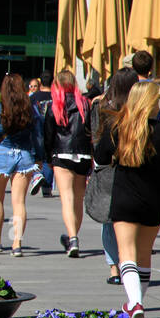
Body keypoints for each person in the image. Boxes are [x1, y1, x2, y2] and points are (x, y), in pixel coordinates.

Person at [94, 82, 160, 318]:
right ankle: (136, 303)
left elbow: (100, 158)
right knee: (144, 255)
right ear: (152, 103)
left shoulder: (118, 127)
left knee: (127, 255)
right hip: (154, 201)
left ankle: (135, 304)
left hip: (124, 200)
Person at [90, 68, 140, 285]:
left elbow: (94, 136)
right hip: (135, 168)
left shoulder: (101, 106)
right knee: (131, 218)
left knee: (108, 220)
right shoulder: (139, 109)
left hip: (107, 167)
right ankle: (129, 264)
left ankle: (114, 268)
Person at [0, 73, 43, 256]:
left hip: (1, 153)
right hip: (24, 155)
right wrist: (39, 157)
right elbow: (38, 135)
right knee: (19, 202)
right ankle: (16, 243)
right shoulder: (30, 109)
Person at [44, 70, 93, 257]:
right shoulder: (85, 104)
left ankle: (73, 238)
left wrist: (48, 157)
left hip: (61, 152)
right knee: (78, 199)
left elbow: (48, 135)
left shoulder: (54, 105)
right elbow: (91, 130)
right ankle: (73, 236)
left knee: (67, 197)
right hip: (83, 154)